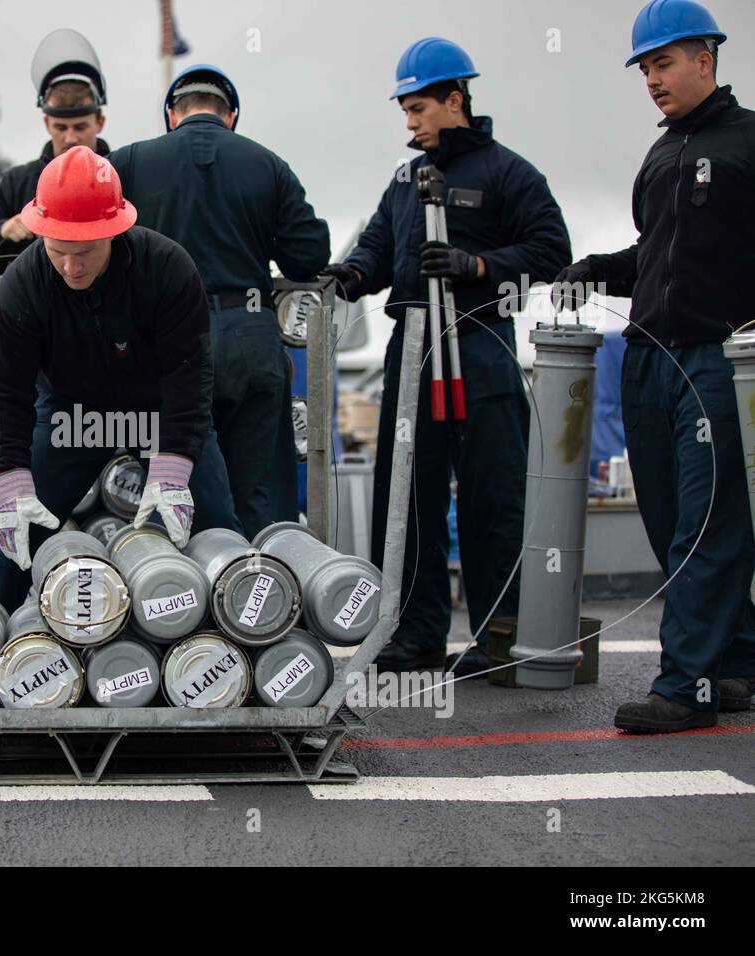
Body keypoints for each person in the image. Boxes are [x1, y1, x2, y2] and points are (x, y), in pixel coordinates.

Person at [324, 37, 571, 675]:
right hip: (413, 353)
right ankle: (414, 634)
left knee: (494, 497)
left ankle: (500, 638)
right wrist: (347, 277)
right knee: (405, 495)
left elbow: (551, 248)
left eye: (418, 108)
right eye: (404, 111)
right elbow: (376, 249)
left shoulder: (507, 172)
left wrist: (480, 264)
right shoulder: (405, 181)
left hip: (482, 344)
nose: (409, 123)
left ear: (455, 99)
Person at [552, 0, 755, 732]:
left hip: (712, 362)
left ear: (706, 58)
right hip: (646, 359)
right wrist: (598, 268)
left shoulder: (747, 141)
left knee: (704, 525)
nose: (651, 80)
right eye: (644, 68)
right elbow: (656, 259)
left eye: (662, 63)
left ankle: (684, 685)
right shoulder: (662, 153)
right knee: (671, 517)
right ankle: (737, 660)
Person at [0, 145, 240, 612]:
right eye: (58, 252)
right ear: (41, 236)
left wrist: (174, 467)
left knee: (215, 525)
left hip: (158, 413)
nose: (72, 267)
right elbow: (3, 392)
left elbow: (189, 379)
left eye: (86, 252)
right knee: (12, 536)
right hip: (74, 416)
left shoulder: (168, 268)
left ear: (115, 231)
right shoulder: (22, 284)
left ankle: (247, 632)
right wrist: (10, 482)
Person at [109, 65, 330, 538]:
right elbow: (309, 255)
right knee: (261, 496)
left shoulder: (129, 162)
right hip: (250, 331)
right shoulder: (268, 164)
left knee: (176, 491)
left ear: (172, 115)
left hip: (167, 340)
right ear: (230, 116)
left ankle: (183, 598)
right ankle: (265, 598)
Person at [0, 28, 110, 276]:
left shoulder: (124, 173)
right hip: (34, 311)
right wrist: (2, 231)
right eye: (60, 127)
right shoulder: (17, 183)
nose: (70, 138)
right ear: (46, 124)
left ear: (99, 123)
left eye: (80, 127)